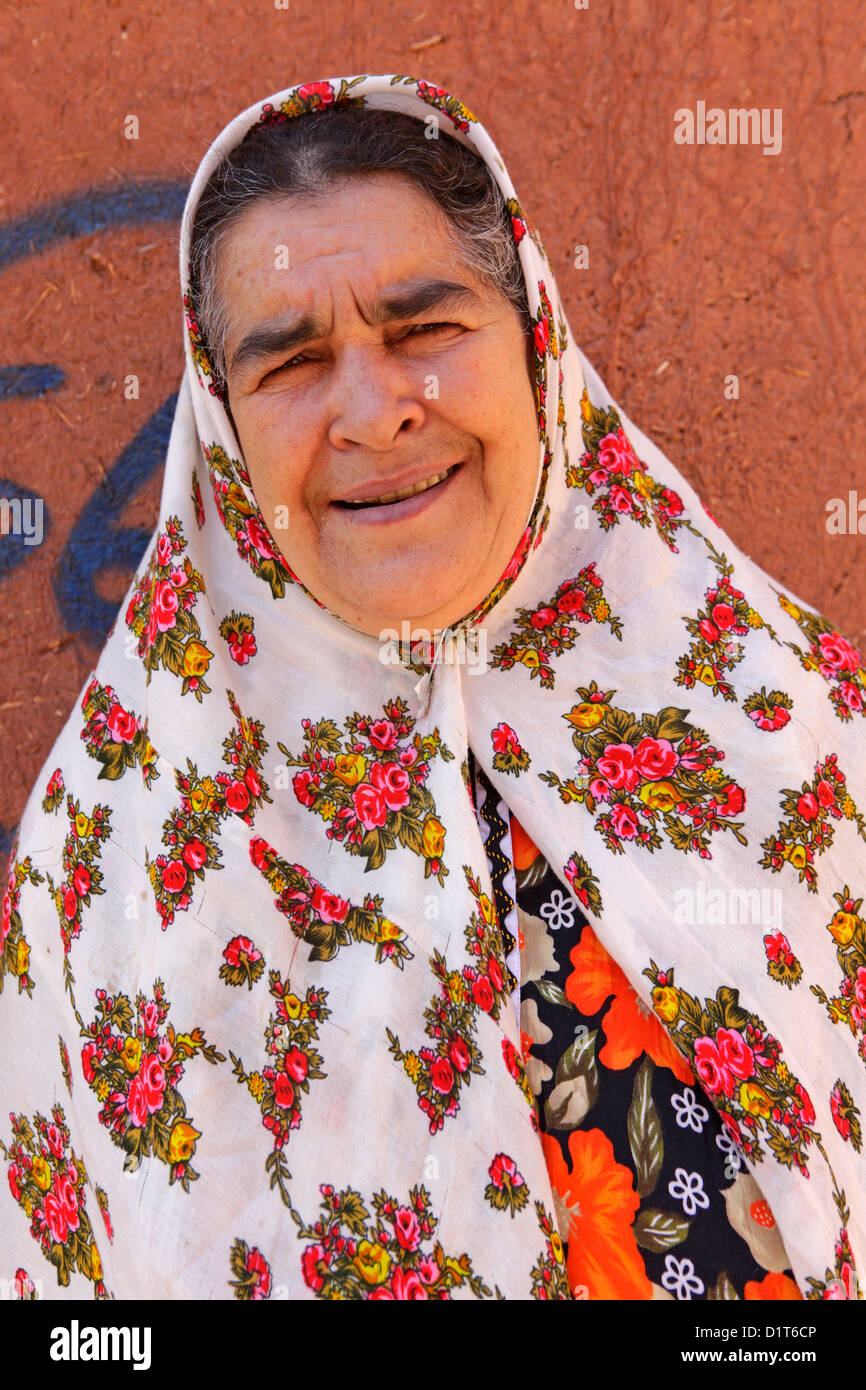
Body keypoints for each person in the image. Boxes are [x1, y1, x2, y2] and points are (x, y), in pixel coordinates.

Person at [1, 73, 863, 1302]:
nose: (373, 411)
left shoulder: (788, 730)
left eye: (424, 329)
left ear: (534, 350)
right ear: (223, 426)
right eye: (291, 362)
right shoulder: (111, 865)